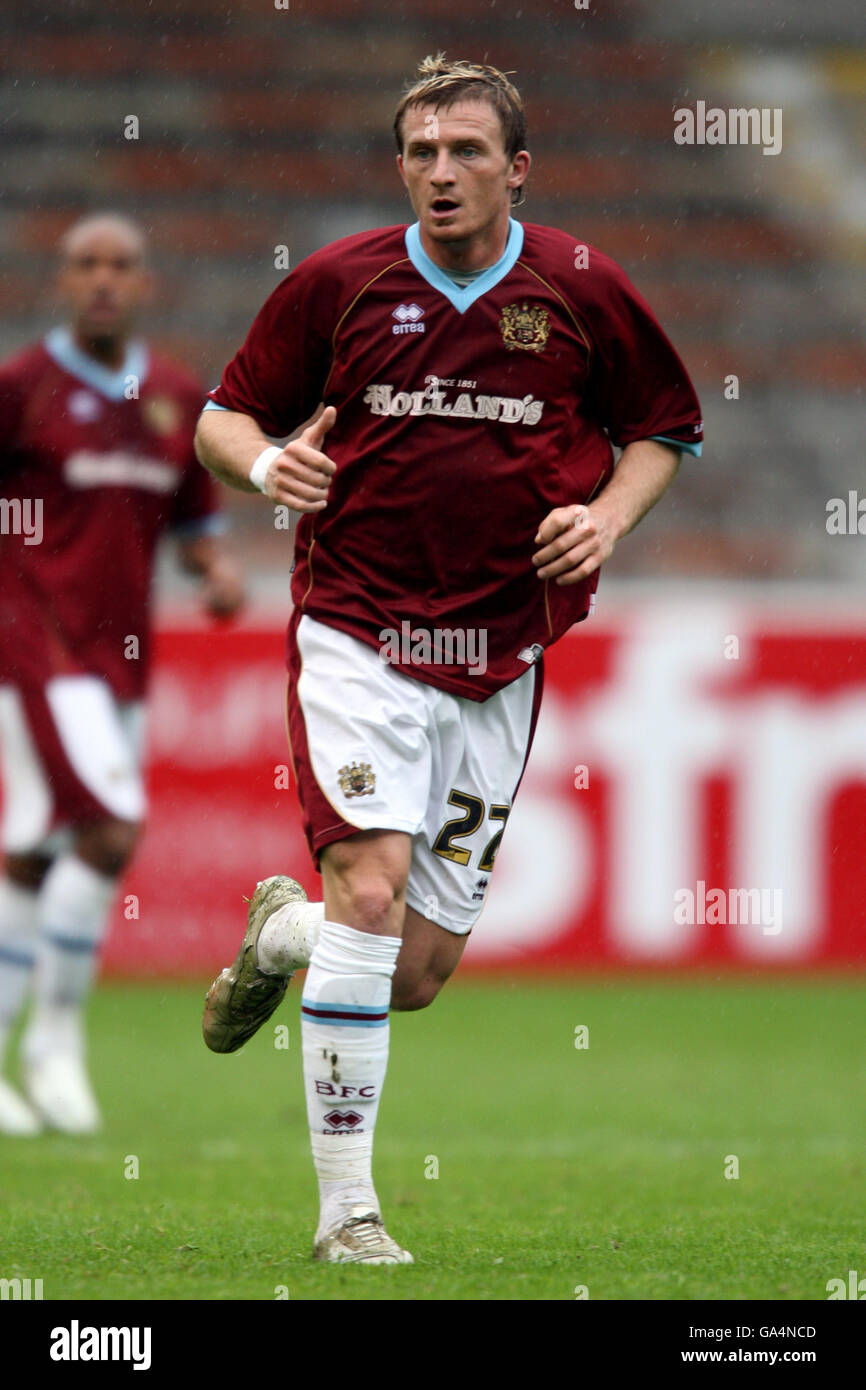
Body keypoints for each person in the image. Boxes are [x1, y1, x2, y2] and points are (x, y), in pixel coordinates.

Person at [195, 53, 702, 1264]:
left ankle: (279, 936)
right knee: (367, 892)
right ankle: (346, 1219)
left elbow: (665, 427)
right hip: (358, 630)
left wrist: (606, 519)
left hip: (497, 654)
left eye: (465, 150)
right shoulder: (336, 284)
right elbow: (223, 417)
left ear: (515, 169)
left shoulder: (580, 286)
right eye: (419, 152)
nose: (439, 172)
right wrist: (268, 469)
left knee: (409, 970)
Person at [0, 213, 244, 1135]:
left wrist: (216, 574)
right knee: (108, 832)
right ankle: (54, 1041)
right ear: (61, 282)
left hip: (120, 664)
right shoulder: (19, 389)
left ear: (145, 284)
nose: (103, 279)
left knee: (34, 849)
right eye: (85, 265)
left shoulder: (175, 397)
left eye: (121, 266)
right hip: (34, 649)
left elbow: (194, 528)